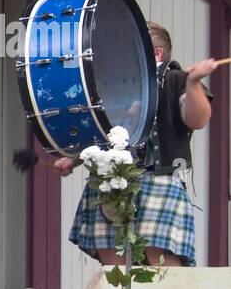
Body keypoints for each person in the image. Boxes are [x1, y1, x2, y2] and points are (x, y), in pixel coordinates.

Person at [58, 21, 217, 266]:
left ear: (156, 53)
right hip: (110, 181)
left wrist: (194, 82)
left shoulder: (178, 79)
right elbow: (101, 132)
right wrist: (74, 159)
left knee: (163, 268)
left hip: (158, 179)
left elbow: (198, 119)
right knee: (113, 269)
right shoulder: (111, 84)